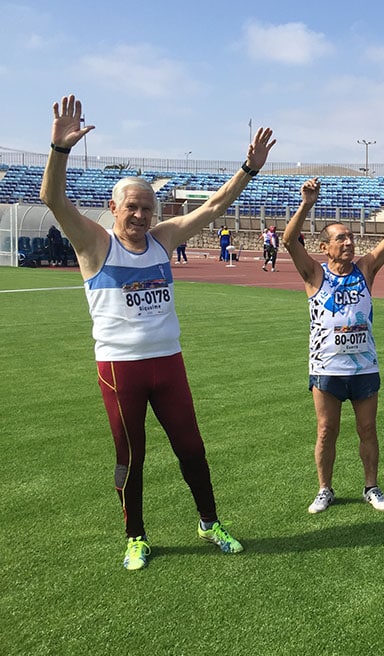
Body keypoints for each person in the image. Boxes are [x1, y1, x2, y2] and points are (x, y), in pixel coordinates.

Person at [39, 94, 276, 571]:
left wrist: (248, 169)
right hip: (119, 368)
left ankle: (209, 522)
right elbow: (53, 200)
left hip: (169, 364)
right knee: (131, 456)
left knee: (192, 448)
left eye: (147, 208)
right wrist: (59, 150)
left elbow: (214, 206)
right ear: (113, 207)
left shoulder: (162, 239)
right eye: (132, 207)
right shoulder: (94, 243)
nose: (141, 216)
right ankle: (136, 536)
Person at [282, 177, 384, 514]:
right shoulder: (315, 274)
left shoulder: (365, 269)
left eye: (351, 237)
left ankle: (372, 487)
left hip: (364, 365)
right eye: (341, 238)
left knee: (368, 429)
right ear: (325, 247)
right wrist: (306, 204)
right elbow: (289, 240)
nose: (349, 242)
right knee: (327, 431)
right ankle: (324, 489)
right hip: (327, 367)